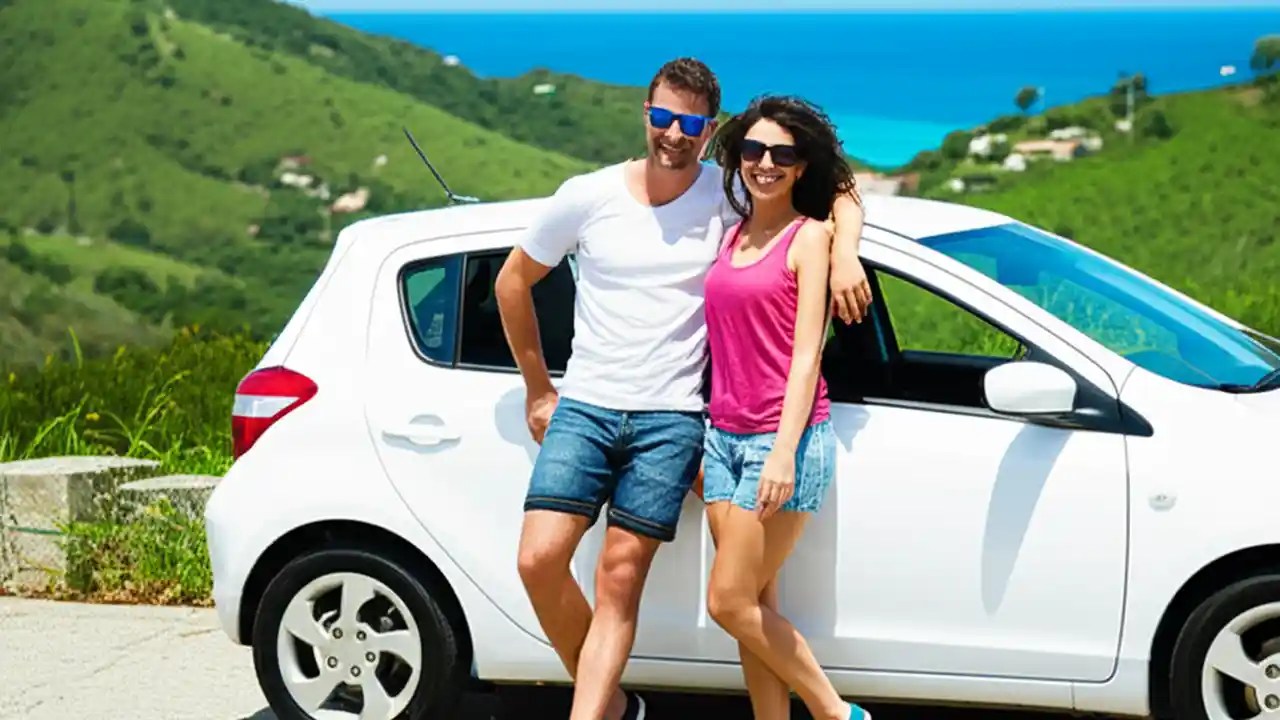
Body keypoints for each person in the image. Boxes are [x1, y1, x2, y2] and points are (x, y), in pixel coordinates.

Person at [494, 57, 871, 720]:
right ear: (646, 113)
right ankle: (612, 706)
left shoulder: (731, 196)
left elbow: (836, 187)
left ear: (709, 128)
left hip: (676, 420)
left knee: (638, 579)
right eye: (664, 117)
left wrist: (844, 255)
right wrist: (537, 390)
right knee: (539, 561)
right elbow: (511, 282)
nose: (674, 133)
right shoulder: (588, 195)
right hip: (595, 409)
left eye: (691, 123)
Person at [698, 94, 868, 720]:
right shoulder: (730, 230)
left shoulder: (811, 236)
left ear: (801, 167)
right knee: (752, 608)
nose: (765, 163)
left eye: (782, 154)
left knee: (728, 602)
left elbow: (806, 357)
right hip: (722, 441)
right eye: (753, 149)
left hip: (780, 441)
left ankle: (836, 713)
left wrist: (782, 454)